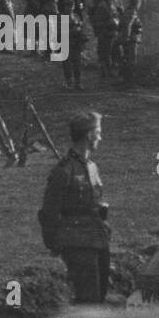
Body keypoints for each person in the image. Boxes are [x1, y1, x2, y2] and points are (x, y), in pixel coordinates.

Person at [38, 112, 111, 304]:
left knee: (99, 295)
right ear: (89, 135)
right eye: (99, 133)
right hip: (77, 241)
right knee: (88, 300)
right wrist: (53, 242)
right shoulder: (63, 171)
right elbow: (49, 211)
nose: (101, 138)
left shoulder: (92, 166)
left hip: (98, 238)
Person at [91, 0, 121, 78]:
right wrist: (106, 25)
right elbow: (98, 20)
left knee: (111, 52)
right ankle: (106, 71)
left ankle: (107, 70)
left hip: (112, 31)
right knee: (106, 52)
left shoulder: (113, 4)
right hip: (105, 31)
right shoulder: (103, 5)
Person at [59, 0, 87, 90]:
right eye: (68, 6)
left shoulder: (76, 16)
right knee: (67, 65)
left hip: (76, 43)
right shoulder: (61, 17)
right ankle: (69, 83)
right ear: (64, 7)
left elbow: (81, 27)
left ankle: (78, 83)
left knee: (77, 64)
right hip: (66, 43)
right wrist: (72, 30)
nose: (70, 8)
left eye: (71, 6)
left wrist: (81, 33)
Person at [116, 0, 144, 82]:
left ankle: (127, 78)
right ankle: (129, 79)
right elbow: (128, 25)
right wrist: (127, 37)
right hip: (131, 39)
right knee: (131, 59)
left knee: (127, 58)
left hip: (129, 38)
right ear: (136, 5)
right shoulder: (131, 12)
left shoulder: (127, 12)